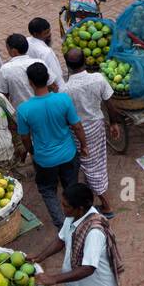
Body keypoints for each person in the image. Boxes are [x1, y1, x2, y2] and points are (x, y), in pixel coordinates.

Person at [35, 183, 143, 286]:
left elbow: (88, 268)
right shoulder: (73, 217)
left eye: (66, 206)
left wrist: (53, 279)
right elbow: (60, 240)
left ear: (80, 208)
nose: (62, 208)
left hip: (98, 285)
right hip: (82, 285)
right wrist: (39, 257)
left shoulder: (94, 232)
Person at [17, 62, 88, 228]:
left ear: (30, 82)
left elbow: (25, 137)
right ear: (48, 79)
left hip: (44, 159)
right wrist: (84, 145)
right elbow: (76, 126)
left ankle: (61, 224)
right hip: (68, 154)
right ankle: (77, 221)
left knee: (48, 190)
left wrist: (32, 151)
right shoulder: (63, 99)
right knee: (71, 187)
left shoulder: (24, 109)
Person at [61, 47, 119, 216]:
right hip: (97, 125)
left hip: (80, 131)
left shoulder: (65, 90)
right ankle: (94, 191)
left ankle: (107, 205)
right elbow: (110, 103)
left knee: (90, 165)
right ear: (85, 61)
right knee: (97, 161)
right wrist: (114, 123)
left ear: (67, 65)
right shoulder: (98, 79)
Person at [0, 33, 47, 107]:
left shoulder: (5, 69)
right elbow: (52, 86)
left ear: (14, 51)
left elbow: (2, 97)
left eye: (8, 49)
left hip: (20, 113)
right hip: (43, 108)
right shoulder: (40, 62)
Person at [26, 18, 64, 89]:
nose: (49, 34)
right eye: (46, 33)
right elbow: (57, 77)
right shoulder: (45, 52)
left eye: (49, 31)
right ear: (35, 34)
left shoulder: (26, 41)